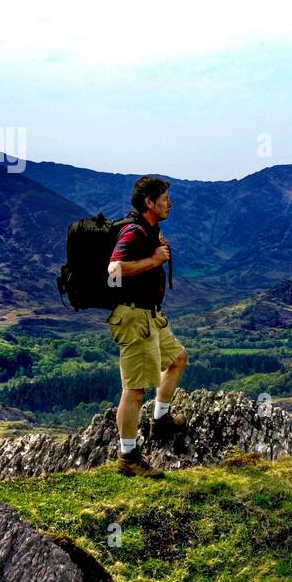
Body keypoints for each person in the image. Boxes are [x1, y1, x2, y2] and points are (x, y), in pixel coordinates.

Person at [105, 175, 187, 477]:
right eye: (164, 198)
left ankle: (160, 419)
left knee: (177, 358)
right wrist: (153, 260)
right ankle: (128, 457)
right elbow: (113, 271)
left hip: (151, 316)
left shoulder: (149, 230)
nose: (170, 203)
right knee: (135, 390)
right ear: (148, 202)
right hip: (134, 318)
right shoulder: (134, 232)